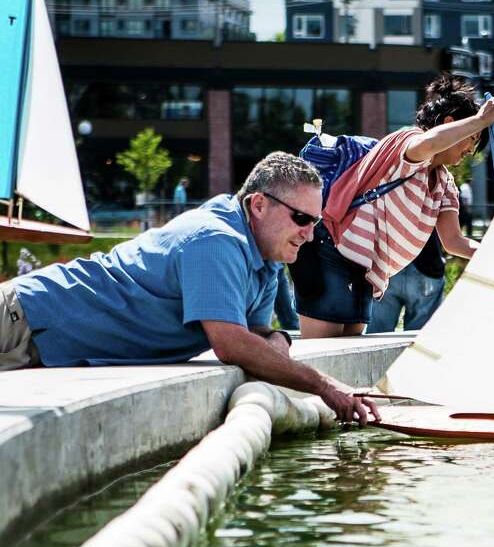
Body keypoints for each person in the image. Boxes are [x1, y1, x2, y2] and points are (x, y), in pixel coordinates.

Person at [0, 152, 378, 426]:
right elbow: (231, 343)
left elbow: (256, 334)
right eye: (301, 218)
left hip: (37, 337)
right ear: (258, 205)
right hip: (22, 319)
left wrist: (276, 339)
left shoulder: (265, 259)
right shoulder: (215, 240)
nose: (310, 235)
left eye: (315, 222)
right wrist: (325, 386)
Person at [290, 75, 494, 338]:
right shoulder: (406, 141)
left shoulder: (444, 182)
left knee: (348, 350)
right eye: (472, 139)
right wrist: (481, 119)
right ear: (450, 123)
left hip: (364, 268)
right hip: (331, 250)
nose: (470, 151)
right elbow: (429, 144)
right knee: (322, 349)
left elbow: (454, 242)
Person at [366, 233, 446, 333]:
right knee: (417, 338)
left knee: (377, 335)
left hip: (389, 265)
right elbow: (451, 237)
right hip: (427, 265)